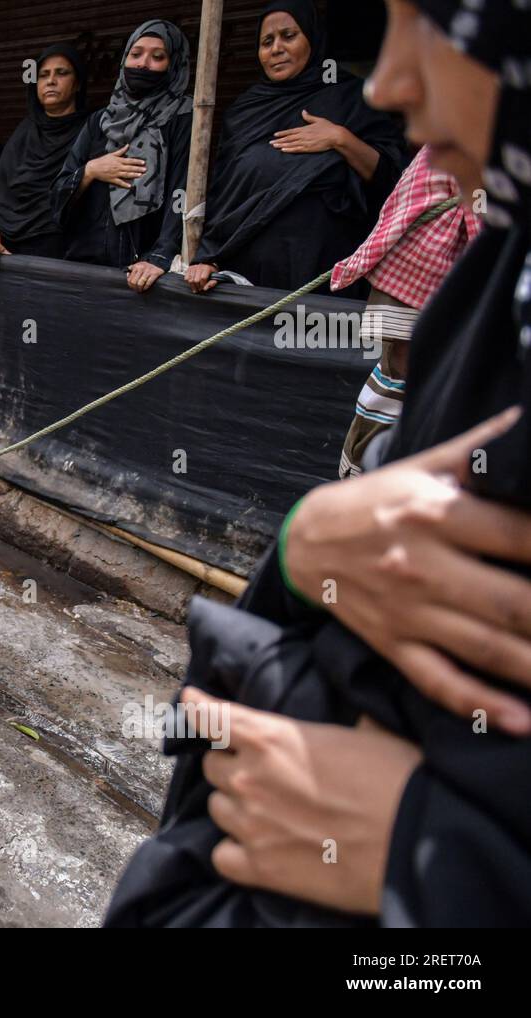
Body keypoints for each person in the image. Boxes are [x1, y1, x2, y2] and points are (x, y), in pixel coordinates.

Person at [106, 0, 531, 927]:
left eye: (439, 23)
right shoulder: (502, 274)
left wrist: (435, 867)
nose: (385, 86)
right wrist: (305, 548)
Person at [185, 1, 407, 296]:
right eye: (267, 42)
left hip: (326, 273)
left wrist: (340, 138)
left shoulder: (352, 99)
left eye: (288, 36)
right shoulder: (244, 111)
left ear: (313, 40)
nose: (276, 48)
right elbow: (225, 193)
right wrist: (208, 256)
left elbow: (393, 179)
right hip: (250, 274)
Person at [331, 146, 480, 477]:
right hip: (426, 272)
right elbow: (486, 228)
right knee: (406, 380)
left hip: (418, 272)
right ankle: (370, 478)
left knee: (401, 379)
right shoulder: (476, 139)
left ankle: (364, 476)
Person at [51, 23, 193, 292]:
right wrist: (91, 170)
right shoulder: (100, 120)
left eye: (158, 57)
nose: (142, 64)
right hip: (83, 266)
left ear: (174, 64)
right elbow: (57, 193)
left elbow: (183, 191)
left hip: (142, 274)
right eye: (136, 54)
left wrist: (161, 256)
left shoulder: (184, 117)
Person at [0, 43, 87, 273]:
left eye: (62, 73)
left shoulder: (91, 132)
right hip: (9, 256)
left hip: (66, 257)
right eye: (43, 75)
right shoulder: (24, 133)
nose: (51, 81)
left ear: (77, 83)